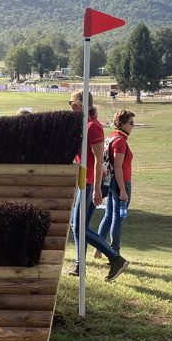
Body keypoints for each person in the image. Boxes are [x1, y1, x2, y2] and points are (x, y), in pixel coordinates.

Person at [67, 90, 130, 282]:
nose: (69, 105)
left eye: (70, 102)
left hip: (90, 182)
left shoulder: (93, 127)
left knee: (78, 226)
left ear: (79, 103)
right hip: (82, 181)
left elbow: (97, 160)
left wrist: (95, 188)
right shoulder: (84, 124)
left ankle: (115, 258)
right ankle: (79, 264)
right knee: (78, 225)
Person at [98, 109, 135, 257]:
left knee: (108, 215)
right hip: (121, 183)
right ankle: (114, 252)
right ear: (122, 124)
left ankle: (98, 249)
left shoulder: (112, 136)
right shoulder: (120, 141)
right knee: (117, 218)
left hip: (110, 181)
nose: (133, 126)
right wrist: (123, 191)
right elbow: (118, 167)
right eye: (131, 123)